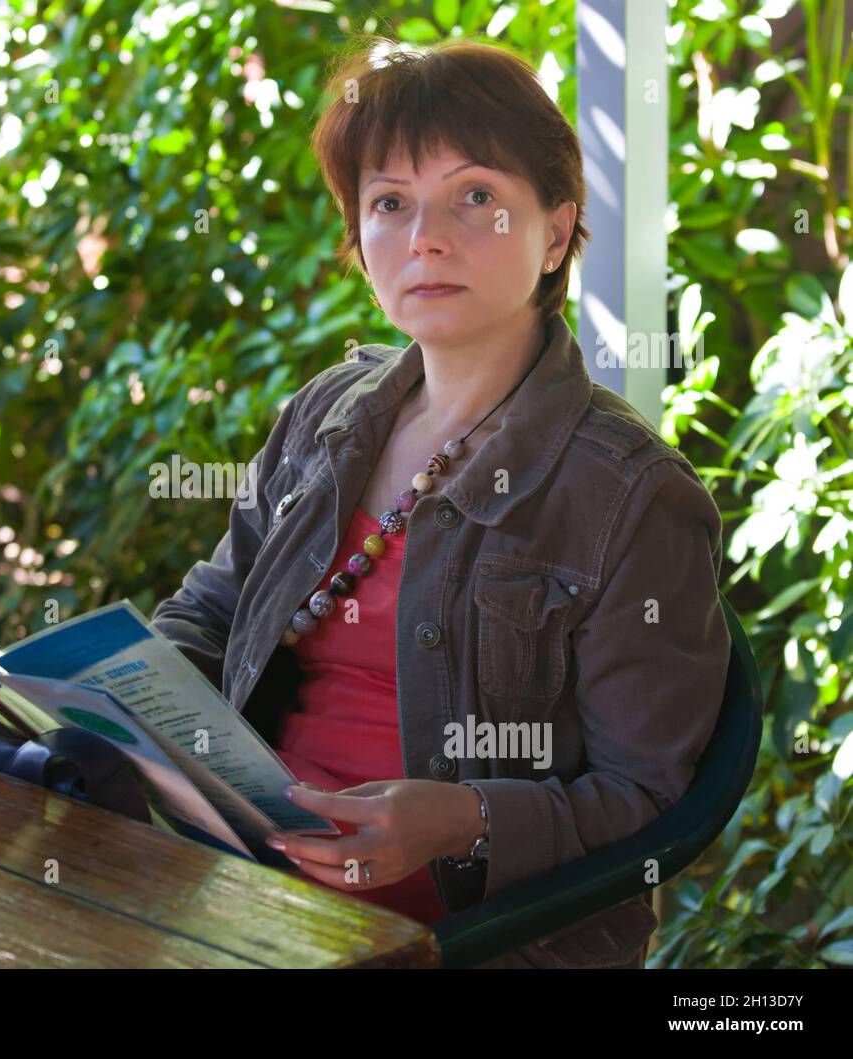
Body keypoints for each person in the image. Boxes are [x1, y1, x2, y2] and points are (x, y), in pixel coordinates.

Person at [149, 36, 732, 968]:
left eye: (476, 197)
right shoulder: (323, 417)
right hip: (238, 880)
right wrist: (107, 700)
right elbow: (208, 614)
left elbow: (654, 799)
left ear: (554, 231)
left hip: (469, 940)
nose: (426, 237)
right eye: (389, 203)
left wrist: (463, 817)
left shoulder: (632, 496)